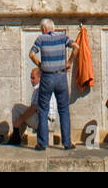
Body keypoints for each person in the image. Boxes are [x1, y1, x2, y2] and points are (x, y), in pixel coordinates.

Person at [28, 17, 75, 151]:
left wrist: (40, 65)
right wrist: (69, 62)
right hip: (61, 76)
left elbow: (31, 54)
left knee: (43, 110)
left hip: (47, 76)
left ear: (44, 29)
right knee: (64, 110)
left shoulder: (41, 39)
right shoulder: (62, 37)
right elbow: (76, 46)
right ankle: (67, 143)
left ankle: (42, 144)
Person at [10, 66, 58, 146]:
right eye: (31, 78)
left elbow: (33, 108)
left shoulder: (39, 89)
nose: (31, 80)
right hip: (49, 120)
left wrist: (20, 120)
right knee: (24, 114)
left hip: (44, 121)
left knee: (17, 108)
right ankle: (16, 136)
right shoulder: (46, 87)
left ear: (40, 78)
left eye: (33, 78)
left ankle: (16, 136)